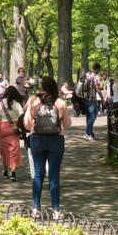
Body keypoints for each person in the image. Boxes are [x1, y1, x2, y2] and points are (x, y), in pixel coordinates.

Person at [23, 74, 71, 221]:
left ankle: (36, 208)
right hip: (56, 140)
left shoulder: (34, 101)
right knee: (54, 176)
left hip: (37, 139)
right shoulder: (60, 103)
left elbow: (26, 123)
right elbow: (68, 124)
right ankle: (55, 210)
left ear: (42, 88)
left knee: (38, 174)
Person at [0, 84, 24, 181]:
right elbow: (21, 116)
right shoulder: (17, 104)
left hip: (3, 128)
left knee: (4, 151)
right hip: (14, 128)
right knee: (14, 150)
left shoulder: (0, 104)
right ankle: (13, 172)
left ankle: (5, 170)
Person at [83, 62, 102, 140]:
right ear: (97, 69)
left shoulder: (87, 74)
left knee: (88, 117)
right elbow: (98, 89)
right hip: (92, 99)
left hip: (85, 99)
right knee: (93, 117)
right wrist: (102, 99)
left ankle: (88, 133)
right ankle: (88, 133)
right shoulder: (95, 77)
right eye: (99, 69)